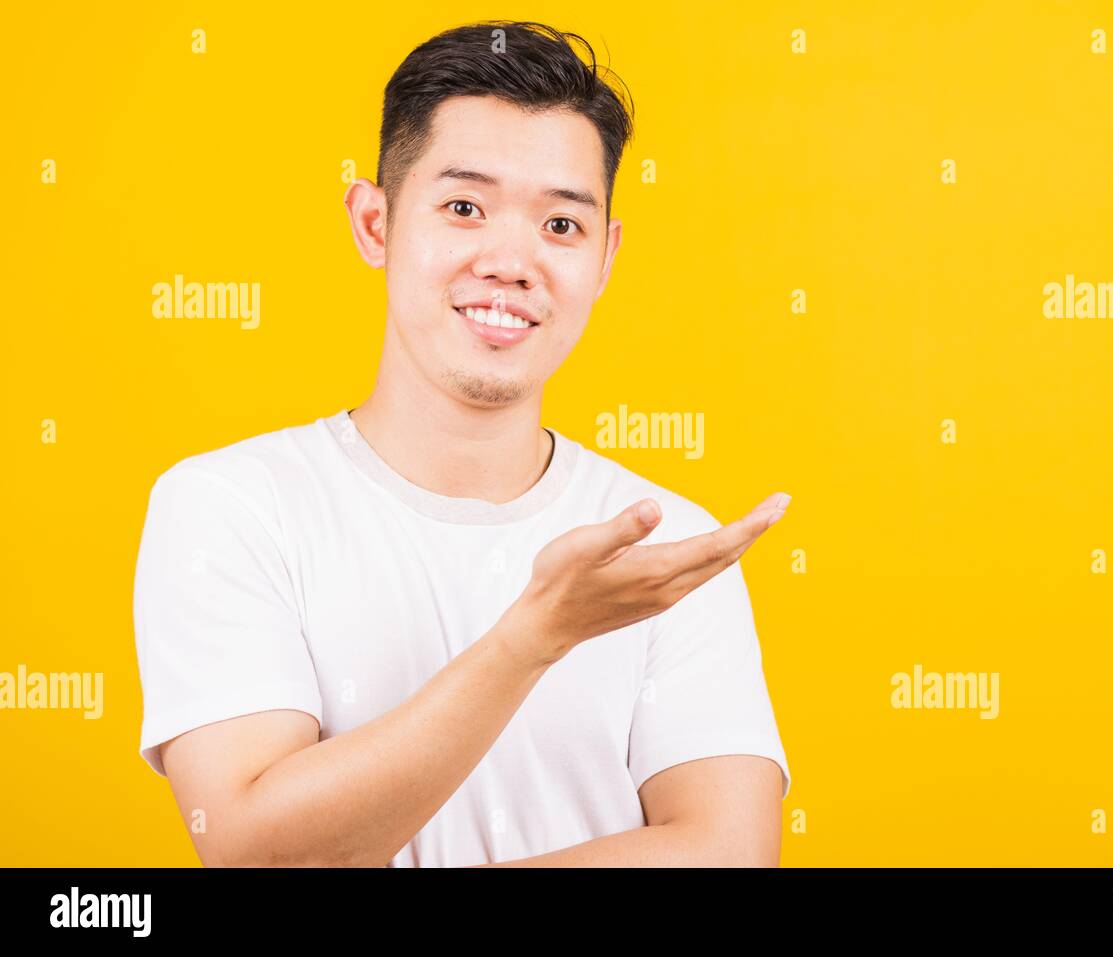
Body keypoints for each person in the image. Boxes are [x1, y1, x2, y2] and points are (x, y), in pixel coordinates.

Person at [132, 19, 792, 867]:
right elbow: (255, 850)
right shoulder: (232, 506)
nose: (512, 260)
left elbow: (731, 853)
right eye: (464, 207)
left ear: (605, 259)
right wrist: (534, 637)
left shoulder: (665, 549)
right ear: (375, 223)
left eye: (561, 225)